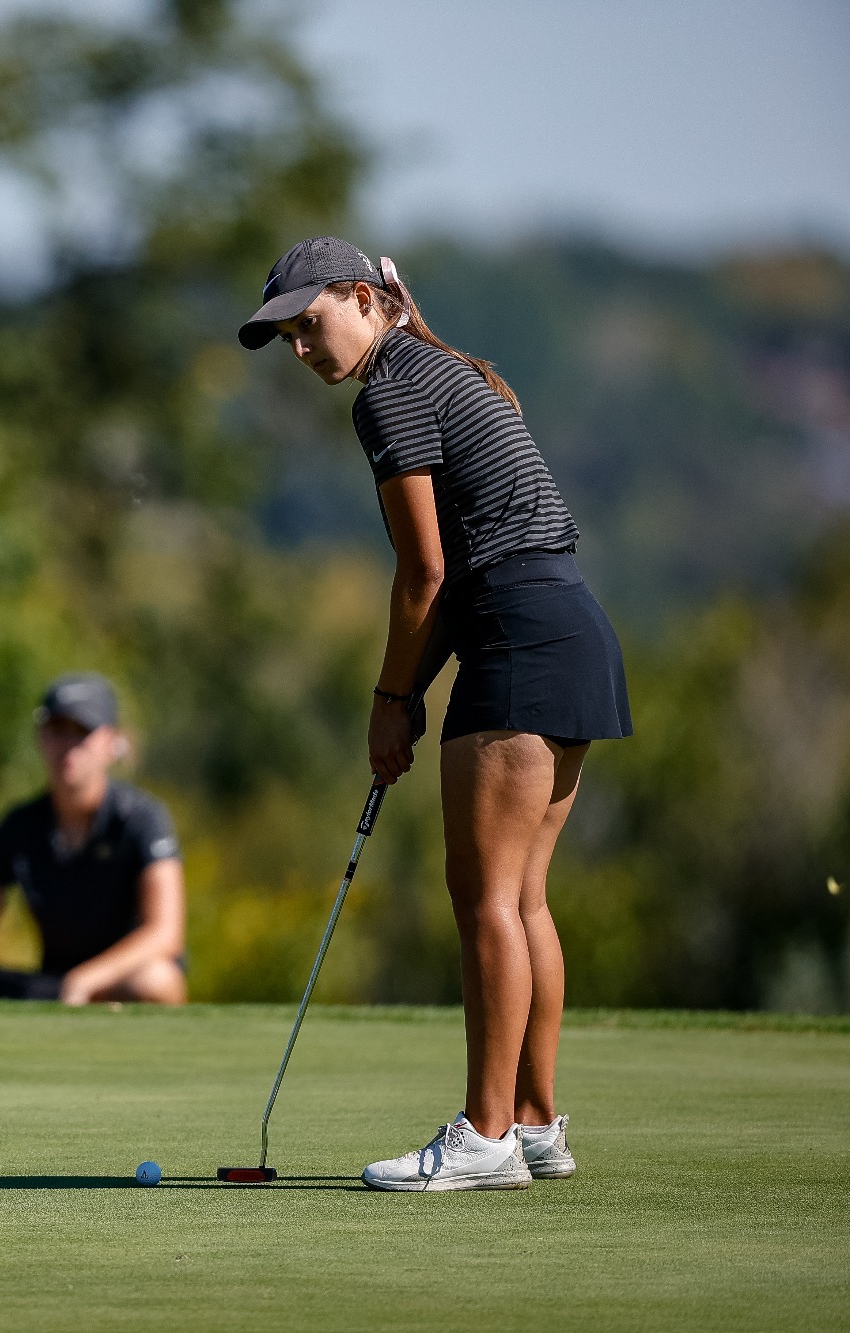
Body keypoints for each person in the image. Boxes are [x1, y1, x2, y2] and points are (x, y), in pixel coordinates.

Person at [239, 237, 631, 1190]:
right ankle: (534, 1124)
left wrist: (387, 702)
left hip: (517, 638)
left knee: (486, 898)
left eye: (310, 320)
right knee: (524, 896)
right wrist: (411, 698)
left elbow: (424, 575)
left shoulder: (390, 389)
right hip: (570, 629)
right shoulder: (444, 367)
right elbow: (452, 577)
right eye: (288, 333)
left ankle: (487, 1135)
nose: (301, 346)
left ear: (363, 299)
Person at [0, 674, 185, 1006]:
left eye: (81, 732)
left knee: (158, 981)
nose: (68, 745)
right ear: (42, 737)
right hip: (51, 984)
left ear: (112, 742)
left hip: (112, 983)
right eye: (57, 730)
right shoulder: (20, 825)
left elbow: (166, 934)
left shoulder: (142, 818)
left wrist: (85, 980)